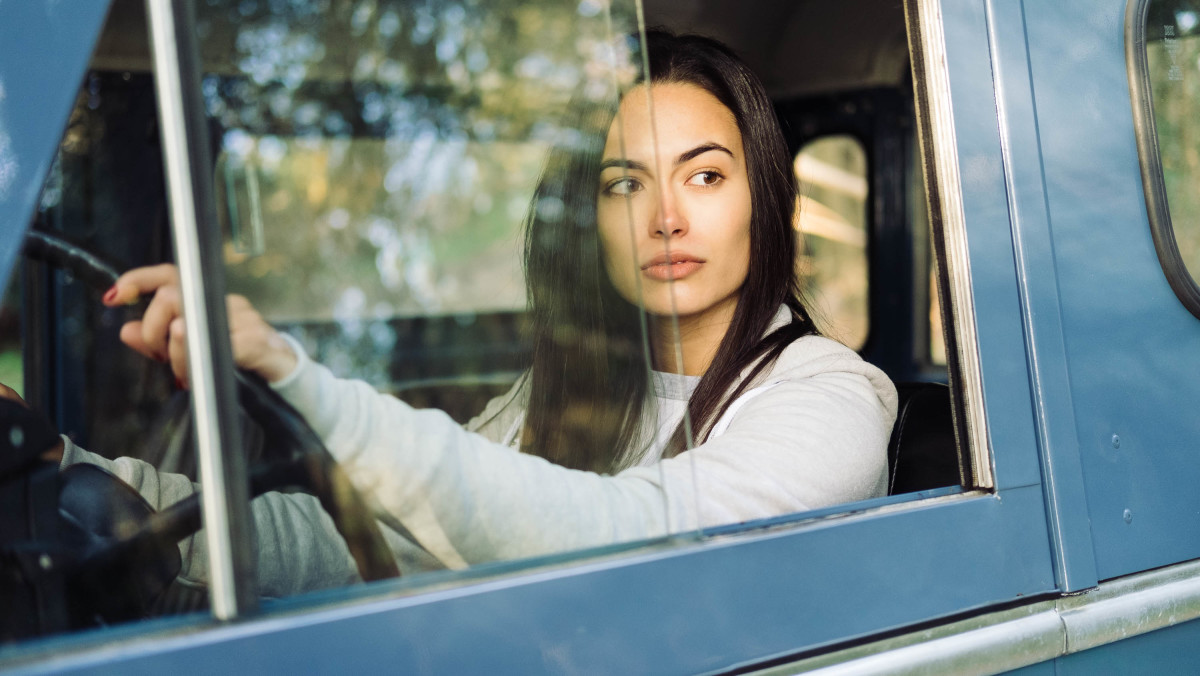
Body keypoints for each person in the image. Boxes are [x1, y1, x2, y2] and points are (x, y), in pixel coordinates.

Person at [10, 31, 897, 596]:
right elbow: (372, 541)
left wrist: (297, 378)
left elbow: (629, 541)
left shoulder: (833, 401)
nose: (667, 215)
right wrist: (74, 470)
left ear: (763, 198)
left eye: (706, 175)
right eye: (624, 183)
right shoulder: (563, 394)